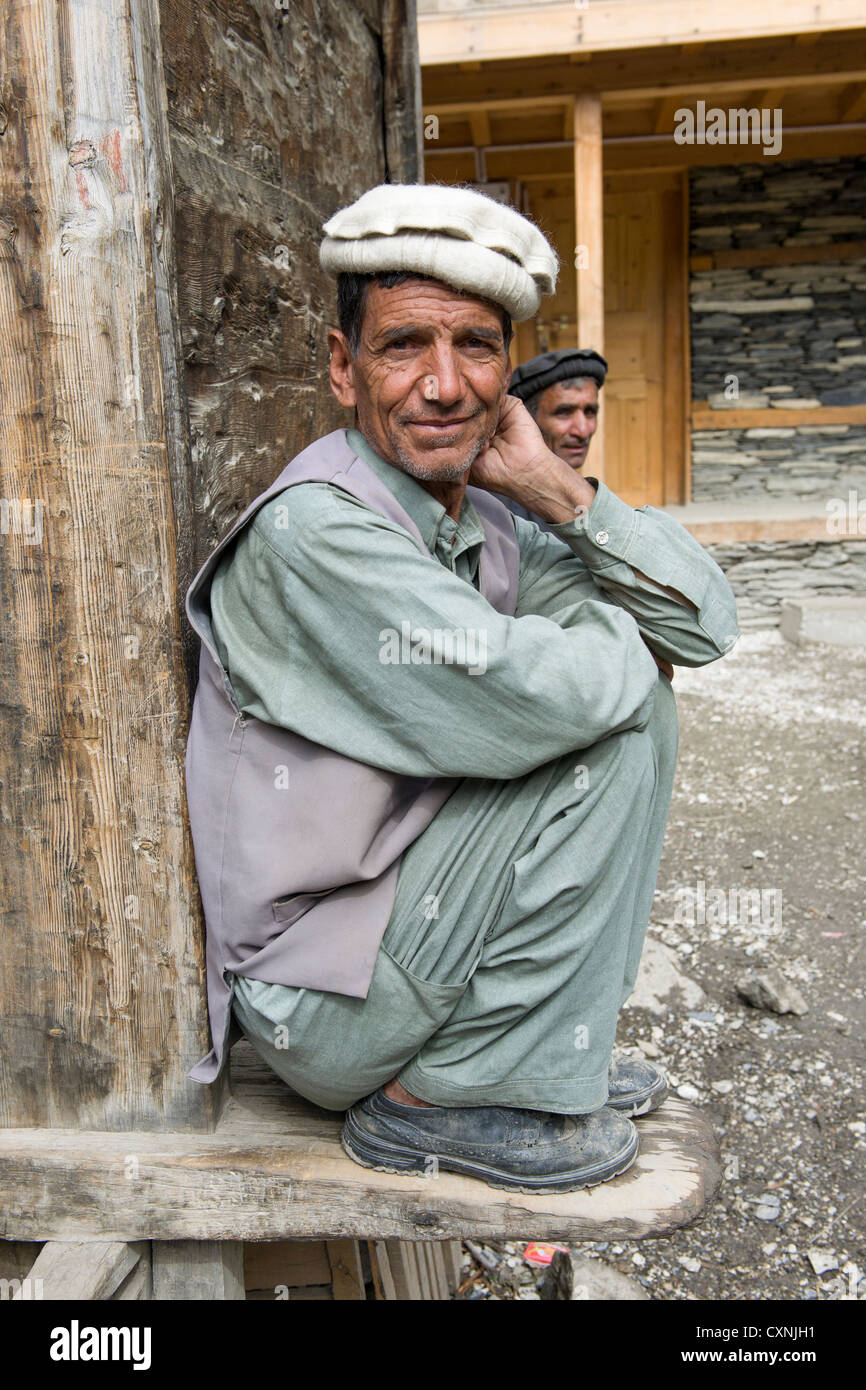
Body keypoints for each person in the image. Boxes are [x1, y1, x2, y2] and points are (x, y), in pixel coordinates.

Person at [182, 183, 739, 1194]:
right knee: (613, 726)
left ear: (506, 376)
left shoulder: (486, 520)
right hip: (321, 993)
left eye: (474, 347)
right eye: (403, 348)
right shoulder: (317, 532)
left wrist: (556, 495)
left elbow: (701, 626)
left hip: (404, 936)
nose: (441, 385)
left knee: (623, 707)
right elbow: (545, 695)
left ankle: (532, 1057)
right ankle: (442, 1099)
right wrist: (615, 649)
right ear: (343, 369)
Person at [494, 348, 607, 533]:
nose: (583, 430)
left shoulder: (585, 495)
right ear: (528, 421)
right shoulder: (499, 511)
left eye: (590, 412)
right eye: (563, 413)